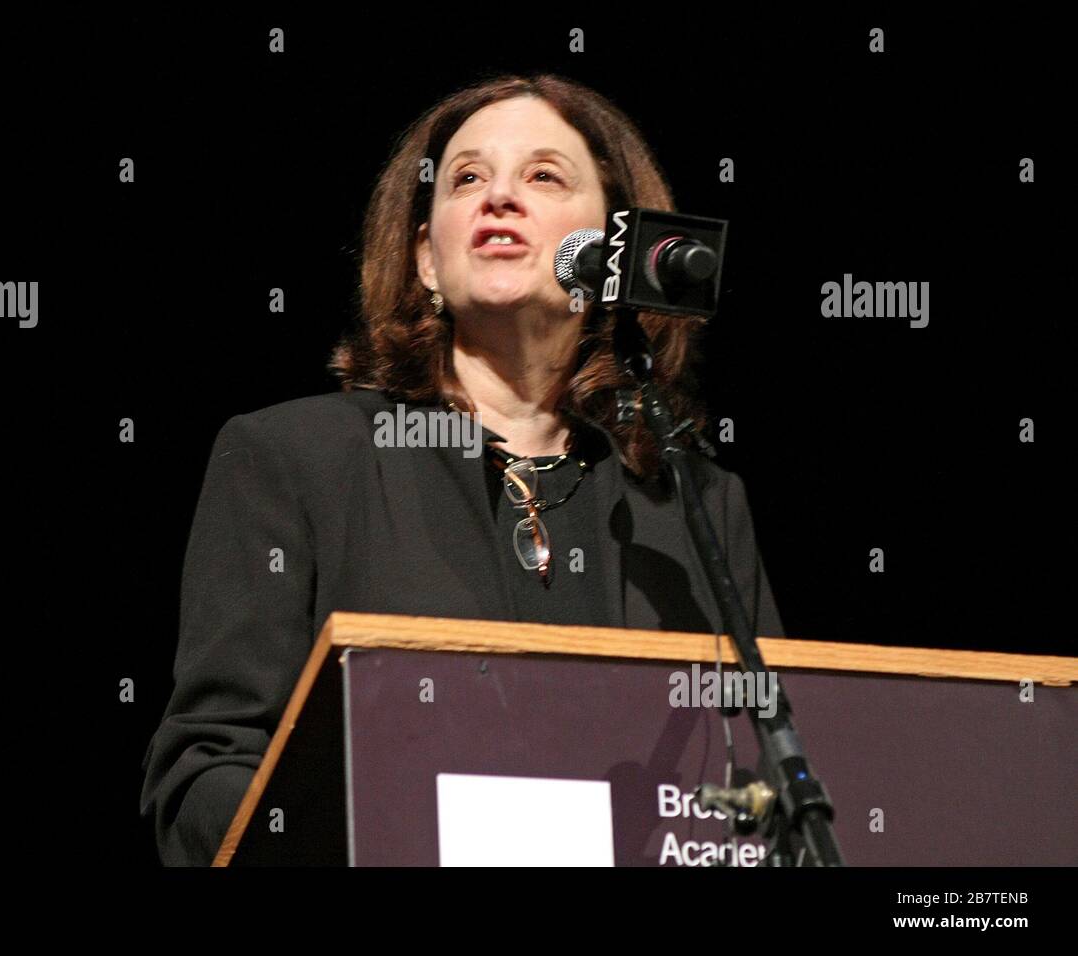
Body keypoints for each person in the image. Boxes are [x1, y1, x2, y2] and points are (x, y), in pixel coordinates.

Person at [139, 73, 786, 866]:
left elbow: (768, 782)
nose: (500, 198)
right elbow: (205, 775)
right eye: (468, 178)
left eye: (544, 176)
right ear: (425, 261)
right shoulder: (294, 459)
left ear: (619, 249)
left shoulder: (699, 502)